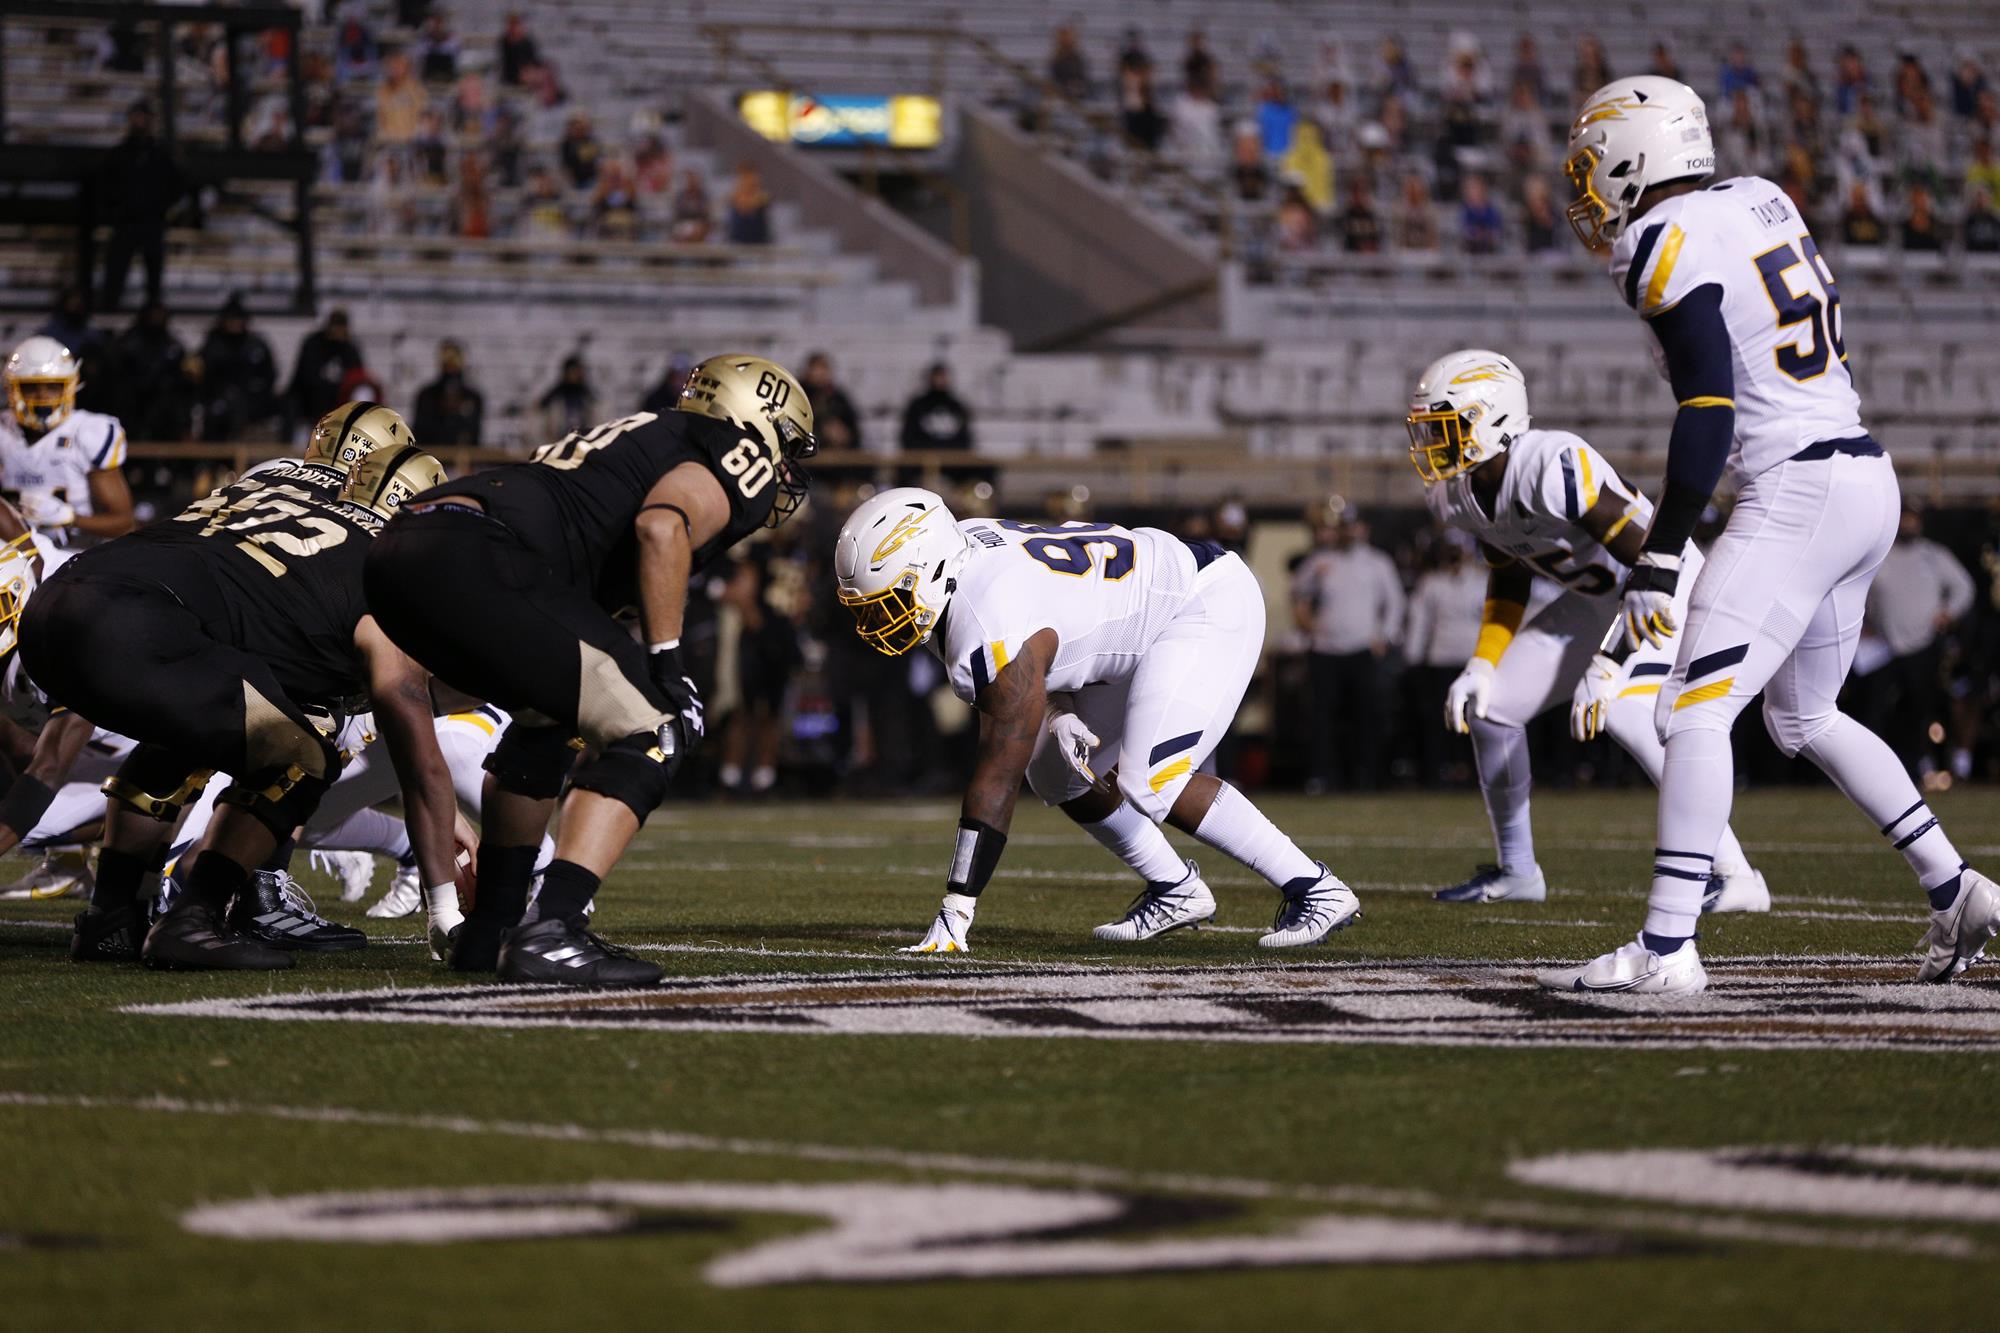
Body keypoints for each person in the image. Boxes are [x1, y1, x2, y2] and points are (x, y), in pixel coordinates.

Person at [1550, 75, 1996, 995]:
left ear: (1638, 157)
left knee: (1692, 709)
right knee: (1803, 715)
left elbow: (1708, 404)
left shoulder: (1658, 238)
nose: (1588, 188)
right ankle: (1955, 889)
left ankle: (1668, 947)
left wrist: (1664, 549)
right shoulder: (1763, 197)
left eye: (1596, 165)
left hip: (1798, 489)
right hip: (1864, 473)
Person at [363, 355, 818, 985]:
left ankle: (490, 932)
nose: (787, 466)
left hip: (412, 546)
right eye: (787, 444)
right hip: (485, 554)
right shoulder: (734, 454)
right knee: (654, 727)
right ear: (753, 419)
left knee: (544, 731)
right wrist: (668, 665)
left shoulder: (647, 438)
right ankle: (553, 926)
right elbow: (662, 526)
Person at [835, 488, 1360, 953]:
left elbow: (997, 776)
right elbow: (1058, 621)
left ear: (930, 573)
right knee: (1055, 769)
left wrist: (957, 909)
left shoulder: (985, 617)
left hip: (1199, 601)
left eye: (888, 600)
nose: (876, 621)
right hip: (1135, 623)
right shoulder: (964, 551)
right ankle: (1175, 889)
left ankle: (1315, 887)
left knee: (1153, 779)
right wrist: (1058, 710)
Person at [24, 424, 461, 970]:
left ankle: (112, 918)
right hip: (138, 627)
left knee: (183, 737)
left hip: (56, 602)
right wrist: (445, 905)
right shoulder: (382, 567)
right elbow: (417, 755)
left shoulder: (268, 487)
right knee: (303, 757)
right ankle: (195, 918)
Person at [1406, 350, 1766, 908]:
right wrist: (1482, 662)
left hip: (1666, 592)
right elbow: (1508, 577)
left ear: (1492, 418)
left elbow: (1648, 565)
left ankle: (1737, 875)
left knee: (1627, 709)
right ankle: (1518, 872)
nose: (1431, 443)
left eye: (1445, 426)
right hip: (1598, 601)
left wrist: (1608, 662)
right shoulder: (1456, 494)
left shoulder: (1550, 464)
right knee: (1491, 708)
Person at [1291, 510, 1403, 791]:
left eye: (1354, 526)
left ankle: (1367, 774)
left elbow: (1396, 603)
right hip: (1325, 650)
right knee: (1322, 717)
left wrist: (1384, 637)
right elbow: (1298, 593)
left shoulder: (1378, 563)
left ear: (1363, 529)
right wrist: (1307, 625)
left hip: (1363, 649)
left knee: (1366, 715)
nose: (1350, 532)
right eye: (1345, 527)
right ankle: (1322, 776)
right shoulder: (1322, 561)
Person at [1865, 509, 1976, 770]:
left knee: (1918, 708)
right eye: (1904, 520)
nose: (1908, 526)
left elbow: (1964, 587)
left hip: (1922, 645)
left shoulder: (1933, 555)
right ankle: (1872, 766)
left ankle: (1915, 764)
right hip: (1881, 646)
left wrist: (1949, 612)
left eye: (1913, 520)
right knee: (1874, 710)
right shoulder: (1880, 555)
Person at [0, 337, 136, 546]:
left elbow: (123, 523)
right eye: (31, 387)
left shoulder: (88, 432)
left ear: (70, 386)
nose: (42, 396)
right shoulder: (3, 431)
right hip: (15, 555)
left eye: (53, 387)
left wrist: (70, 518)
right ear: (12, 389)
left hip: (77, 554)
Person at [1403, 534, 1484, 786]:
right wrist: (1413, 656)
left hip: (1474, 660)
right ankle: (1437, 771)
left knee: (1477, 721)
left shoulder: (1482, 582)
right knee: (1440, 721)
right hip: (1441, 658)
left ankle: (1475, 772)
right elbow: (1420, 622)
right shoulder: (1432, 583)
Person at [97, 102, 185, 312]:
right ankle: (109, 308)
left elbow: (177, 184)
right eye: (136, 116)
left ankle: (153, 312)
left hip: (152, 221)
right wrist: (116, 208)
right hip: (125, 221)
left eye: (144, 117)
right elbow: (106, 184)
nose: (140, 121)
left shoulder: (161, 155)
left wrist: (161, 206)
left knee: (153, 271)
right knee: (116, 268)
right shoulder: (119, 154)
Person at [197, 295, 277, 442]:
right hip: (220, 400)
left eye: (238, 319)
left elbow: (270, 375)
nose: (235, 324)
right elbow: (204, 378)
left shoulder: (256, 345)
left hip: (253, 400)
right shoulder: (213, 345)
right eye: (231, 319)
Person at [897, 363, 979, 485]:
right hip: (921, 463)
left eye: (943, 376)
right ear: (930, 378)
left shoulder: (956, 406)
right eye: (937, 376)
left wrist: (950, 455)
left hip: (953, 464)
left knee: (983, 470)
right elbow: (908, 438)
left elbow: (965, 439)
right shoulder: (918, 405)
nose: (940, 380)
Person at [286, 309, 364, 435]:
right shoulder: (313, 344)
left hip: (338, 399)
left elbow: (358, 377)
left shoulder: (350, 349)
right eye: (335, 327)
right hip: (308, 397)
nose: (338, 332)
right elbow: (306, 377)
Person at [412, 340, 483, 446]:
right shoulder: (426, 396)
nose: (451, 366)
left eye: (455, 360)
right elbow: (421, 432)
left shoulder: (473, 398)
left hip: (462, 458)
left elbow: (473, 436)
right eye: (447, 360)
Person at [802, 351, 862, 453]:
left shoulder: (838, 398)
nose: (820, 373)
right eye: (816, 369)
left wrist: (844, 435)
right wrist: (823, 433)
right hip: (809, 459)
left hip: (840, 458)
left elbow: (855, 432)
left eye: (823, 368)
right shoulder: (801, 397)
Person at [538, 355, 597, 440]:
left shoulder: (587, 395)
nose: (575, 375)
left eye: (577, 372)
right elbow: (540, 412)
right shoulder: (555, 396)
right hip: (558, 441)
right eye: (572, 372)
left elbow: (595, 417)